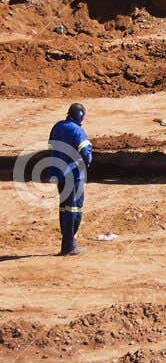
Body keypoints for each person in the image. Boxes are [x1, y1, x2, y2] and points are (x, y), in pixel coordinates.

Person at [47, 103, 92, 257]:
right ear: (80, 116)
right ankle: (69, 246)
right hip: (73, 175)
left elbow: (51, 147)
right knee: (74, 209)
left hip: (59, 174)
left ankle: (67, 244)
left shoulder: (57, 126)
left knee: (65, 208)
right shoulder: (76, 130)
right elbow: (86, 152)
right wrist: (86, 163)